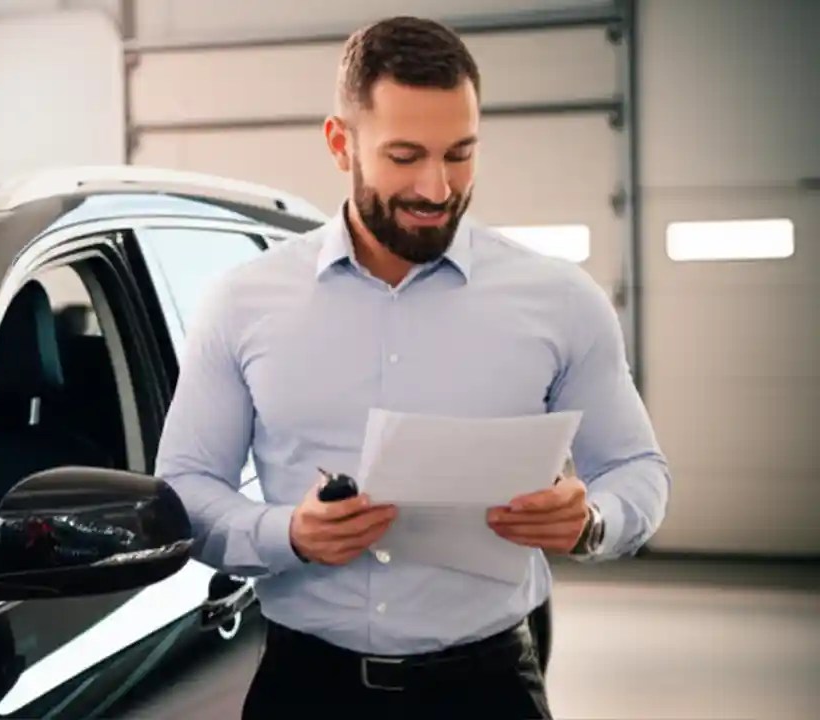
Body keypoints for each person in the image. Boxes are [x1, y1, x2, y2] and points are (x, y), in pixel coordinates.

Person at [153, 15, 671, 719]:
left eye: (460, 154)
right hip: (305, 688)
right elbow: (185, 489)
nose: (437, 188)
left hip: (488, 689)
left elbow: (639, 471)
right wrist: (288, 534)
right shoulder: (243, 302)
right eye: (405, 156)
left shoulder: (560, 300)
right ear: (342, 144)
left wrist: (593, 520)